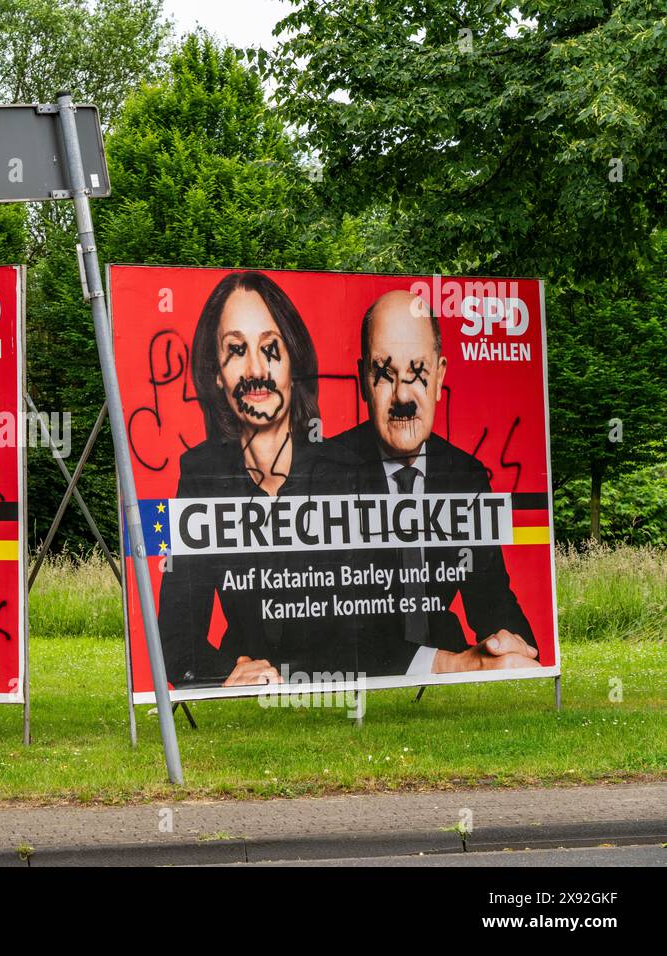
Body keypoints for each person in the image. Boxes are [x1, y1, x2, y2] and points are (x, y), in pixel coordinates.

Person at [157, 271, 361, 688]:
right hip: (250, 690)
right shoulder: (200, 475)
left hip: (336, 689)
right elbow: (175, 639)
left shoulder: (346, 472)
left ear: (294, 364)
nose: (255, 369)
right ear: (217, 374)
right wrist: (225, 677)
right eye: (236, 350)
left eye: (270, 348)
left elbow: (379, 621)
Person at [325, 290, 539, 675]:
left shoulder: (467, 477)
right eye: (385, 374)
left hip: (444, 646)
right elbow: (325, 626)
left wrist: (514, 646)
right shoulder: (320, 474)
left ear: (440, 377)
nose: (404, 395)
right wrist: (443, 665)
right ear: (362, 380)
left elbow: (489, 597)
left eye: (418, 372)